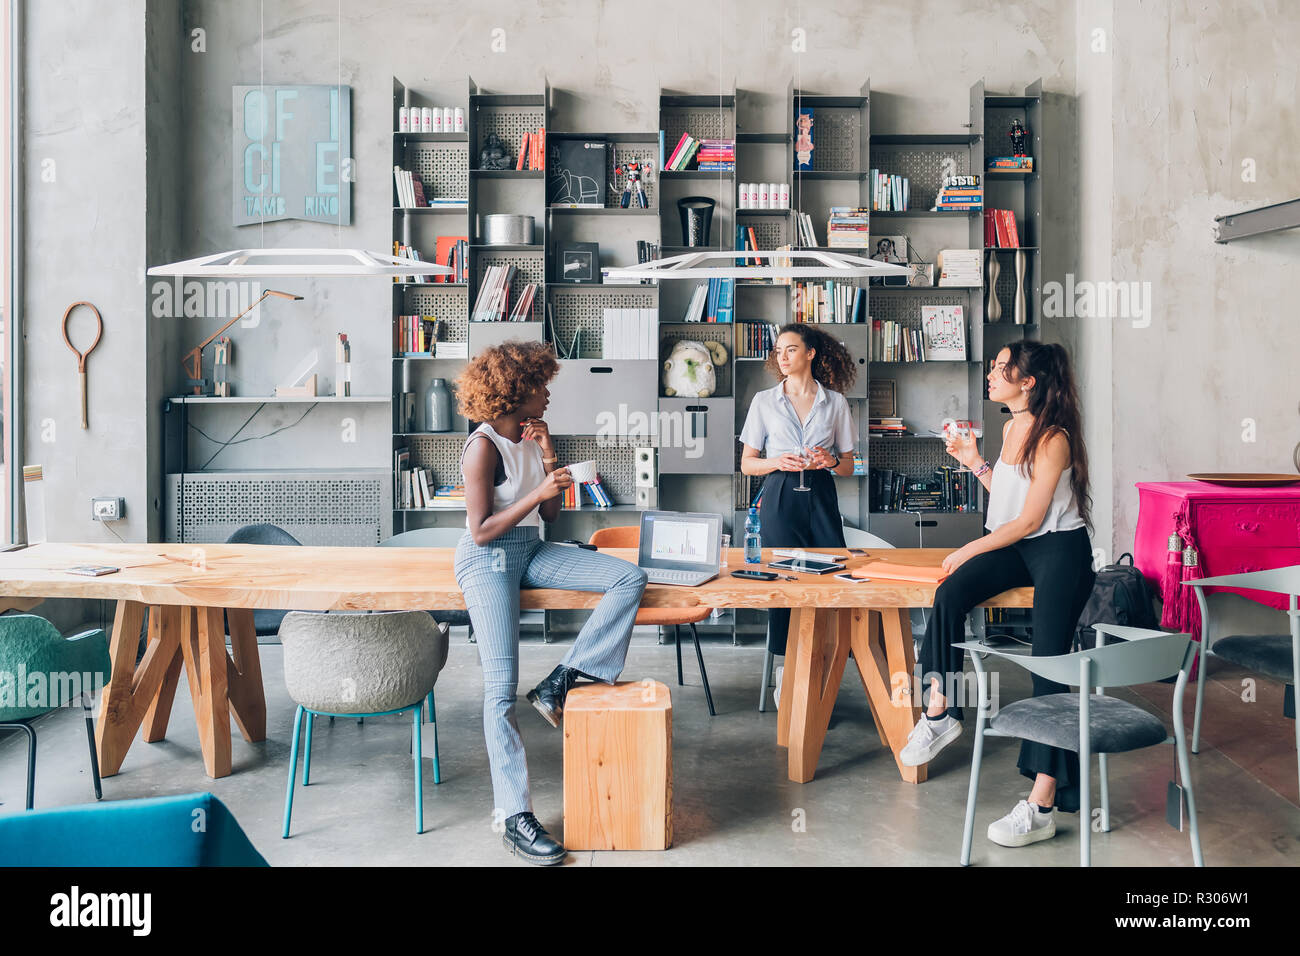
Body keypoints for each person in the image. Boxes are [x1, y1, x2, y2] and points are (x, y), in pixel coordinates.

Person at [453, 341, 648, 866]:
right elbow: (479, 532)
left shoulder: (530, 436)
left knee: (629, 577)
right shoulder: (483, 446)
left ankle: (562, 679)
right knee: (499, 692)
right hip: (489, 558)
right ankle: (514, 817)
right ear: (518, 390)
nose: (547, 395)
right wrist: (536, 495)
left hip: (532, 548)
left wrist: (548, 458)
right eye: (541, 387)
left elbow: (556, 519)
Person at [900, 340, 1096, 849]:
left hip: (1059, 550)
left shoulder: (1053, 438)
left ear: (1028, 381)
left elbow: (1033, 520)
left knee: (1048, 663)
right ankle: (939, 711)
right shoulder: (1010, 428)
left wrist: (969, 548)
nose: (990, 374)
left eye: (1000, 369)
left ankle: (1043, 802)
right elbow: (1012, 504)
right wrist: (973, 462)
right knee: (949, 595)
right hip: (1021, 543)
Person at [739, 324, 857, 703]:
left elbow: (848, 466)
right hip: (779, 495)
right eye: (778, 351)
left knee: (830, 576)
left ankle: (823, 663)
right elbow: (747, 465)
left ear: (811, 354)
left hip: (821, 495)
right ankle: (785, 669)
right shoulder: (764, 401)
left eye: (791, 350)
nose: (783, 357)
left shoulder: (835, 402)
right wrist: (777, 461)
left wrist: (831, 459)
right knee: (784, 581)